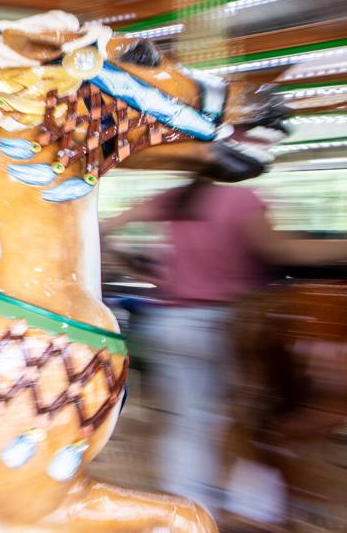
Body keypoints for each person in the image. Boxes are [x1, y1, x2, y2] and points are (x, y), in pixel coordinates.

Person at [101, 168, 347, 517]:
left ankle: (190, 510)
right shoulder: (242, 200)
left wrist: (142, 270)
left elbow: (104, 228)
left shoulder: (176, 197)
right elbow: (282, 251)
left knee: (187, 420)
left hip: (171, 323)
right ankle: (255, 511)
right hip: (229, 324)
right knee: (249, 421)